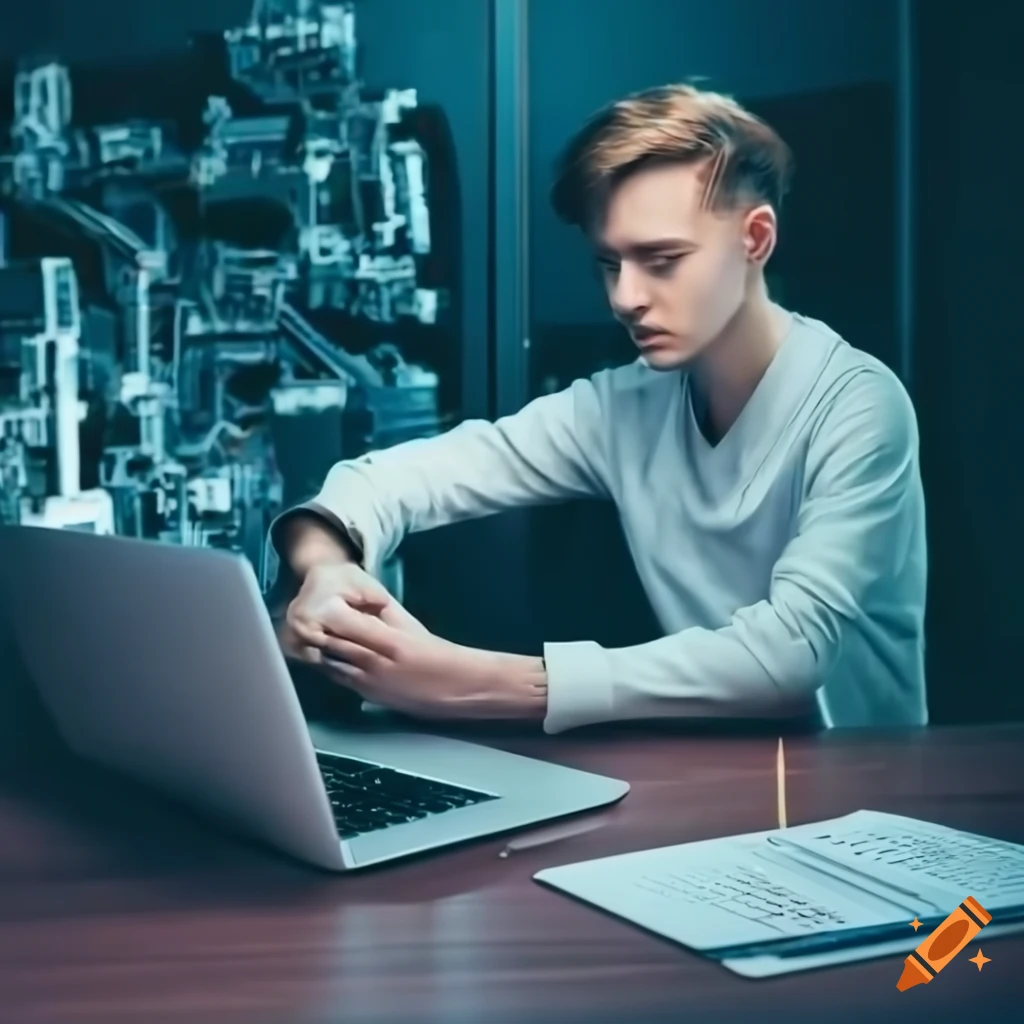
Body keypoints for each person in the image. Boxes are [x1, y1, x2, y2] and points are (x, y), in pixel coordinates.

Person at [265, 83, 928, 735]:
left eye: (661, 260)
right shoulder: (622, 408)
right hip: (720, 782)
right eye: (608, 264)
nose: (625, 298)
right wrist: (326, 569)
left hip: (868, 792)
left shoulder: (858, 405)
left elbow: (791, 658)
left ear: (755, 239)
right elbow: (384, 479)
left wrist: (471, 682)